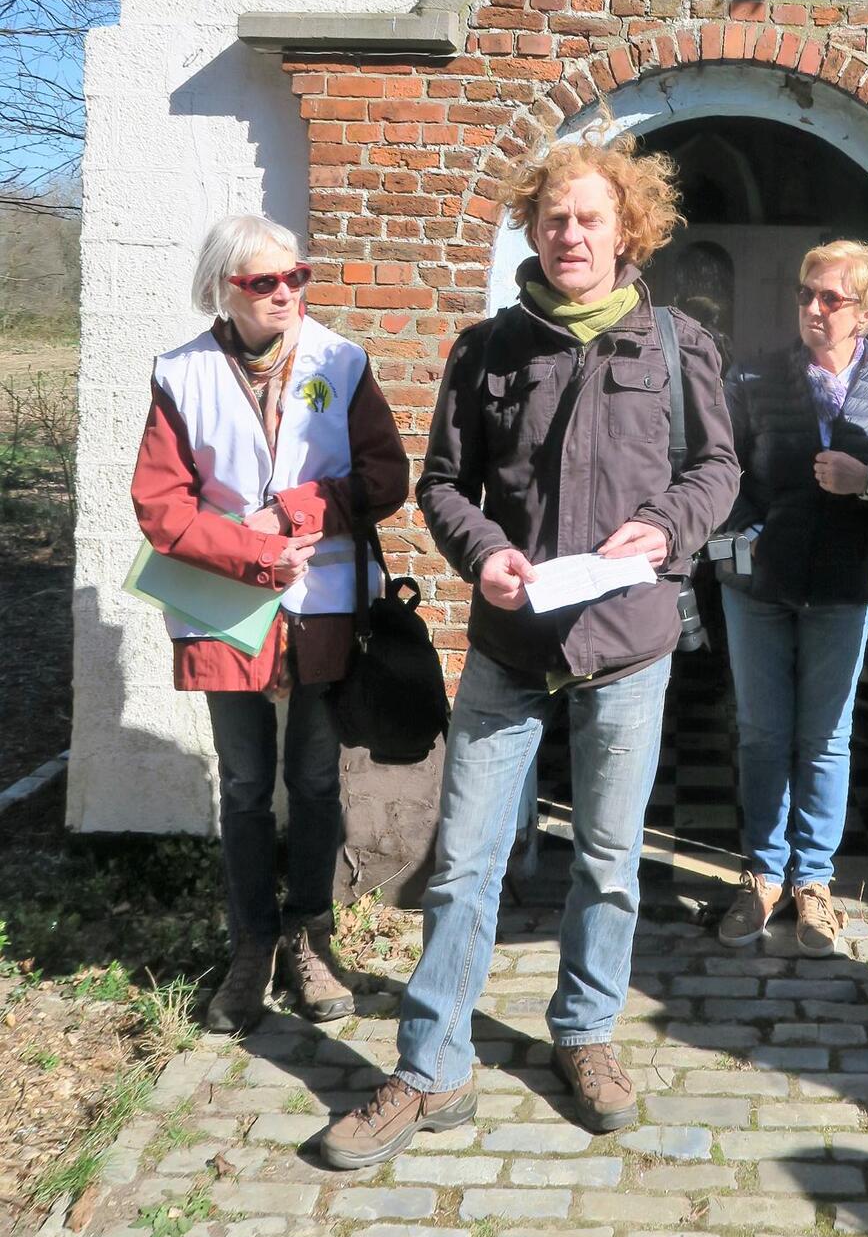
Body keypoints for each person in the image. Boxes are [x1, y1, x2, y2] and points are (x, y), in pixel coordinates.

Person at [319, 132, 738, 1167]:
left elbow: (719, 467)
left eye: (591, 217)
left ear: (627, 228)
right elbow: (445, 484)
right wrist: (487, 552)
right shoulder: (487, 347)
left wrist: (671, 528)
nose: (571, 235)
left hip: (628, 642)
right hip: (510, 642)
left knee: (608, 859)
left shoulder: (679, 345)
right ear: (533, 229)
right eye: (554, 218)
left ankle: (586, 1035)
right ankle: (432, 1067)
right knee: (463, 861)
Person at [131, 215, 409, 1034]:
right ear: (226, 288)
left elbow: (384, 476)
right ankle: (252, 942)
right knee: (248, 785)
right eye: (264, 282)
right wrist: (253, 552)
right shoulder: (181, 374)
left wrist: (296, 513)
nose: (285, 292)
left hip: (320, 605)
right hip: (222, 606)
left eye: (296, 276)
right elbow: (160, 504)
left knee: (317, 779)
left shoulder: (341, 361)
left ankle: (311, 936)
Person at [716, 240, 868, 956]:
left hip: (843, 584)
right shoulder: (757, 374)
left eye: (829, 298)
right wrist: (743, 526)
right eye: (806, 293)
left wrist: (863, 483)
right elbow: (723, 467)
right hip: (758, 583)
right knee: (763, 734)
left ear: (865, 311)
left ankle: (814, 882)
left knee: (826, 740)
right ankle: (763, 875)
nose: (811, 307)